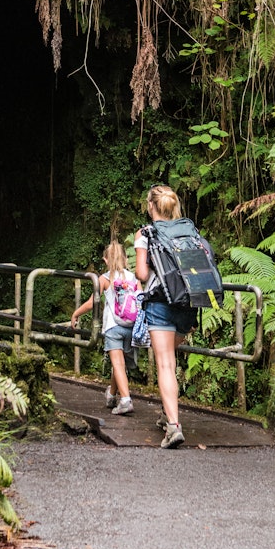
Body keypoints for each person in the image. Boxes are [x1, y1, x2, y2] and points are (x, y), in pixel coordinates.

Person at [134, 184, 198, 448]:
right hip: (187, 304)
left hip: (160, 301)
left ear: (151, 206)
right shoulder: (188, 230)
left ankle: (173, 426)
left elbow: (140, 274)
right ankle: (166, 413)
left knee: (165, 365)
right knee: (171, 362)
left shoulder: (146, 233)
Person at [71, 241, 140, 416]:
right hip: (131, 327)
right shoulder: (134, 278)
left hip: (113, 327)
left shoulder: (104, 279)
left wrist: (76, 313)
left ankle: (125, 400)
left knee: (117, 364)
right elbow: (141, 301)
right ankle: (111, 395)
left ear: (105, 260)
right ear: (125, 259)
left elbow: (91, 303)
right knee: (119, 365)